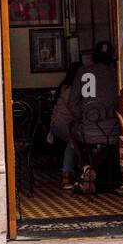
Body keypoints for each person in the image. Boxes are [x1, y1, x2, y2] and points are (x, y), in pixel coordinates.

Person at [67, 42, 120, 193]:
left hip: (88, 130)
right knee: (107, 145)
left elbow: (73, 103)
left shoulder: (83, 72)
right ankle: (96, 170)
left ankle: (86, 167)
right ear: (111, 57)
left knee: (72, 129)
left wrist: (83, 117)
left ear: (93, 56)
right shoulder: (116, 73)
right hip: (115, 131)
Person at [49, 61, 82, 190]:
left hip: (59, 123)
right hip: (61, 124)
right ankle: (67, 175)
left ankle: (79, 172)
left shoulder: (65, 86)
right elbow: (74, 109)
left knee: (77, 140)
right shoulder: (71, 89)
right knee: (74, 141)